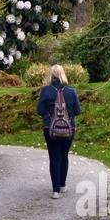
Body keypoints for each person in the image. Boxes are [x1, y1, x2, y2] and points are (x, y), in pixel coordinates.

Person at [36, 64, 81, 198]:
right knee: (64, 155)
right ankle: (62, 185)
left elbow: (39, 110)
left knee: (54, 157)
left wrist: (49, 114)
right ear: (63, 75)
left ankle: (55, 190)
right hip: (69, 128)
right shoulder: (71, 91)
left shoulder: (45, 91)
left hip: (50, 128)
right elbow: (78, 111)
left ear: (51, 75)